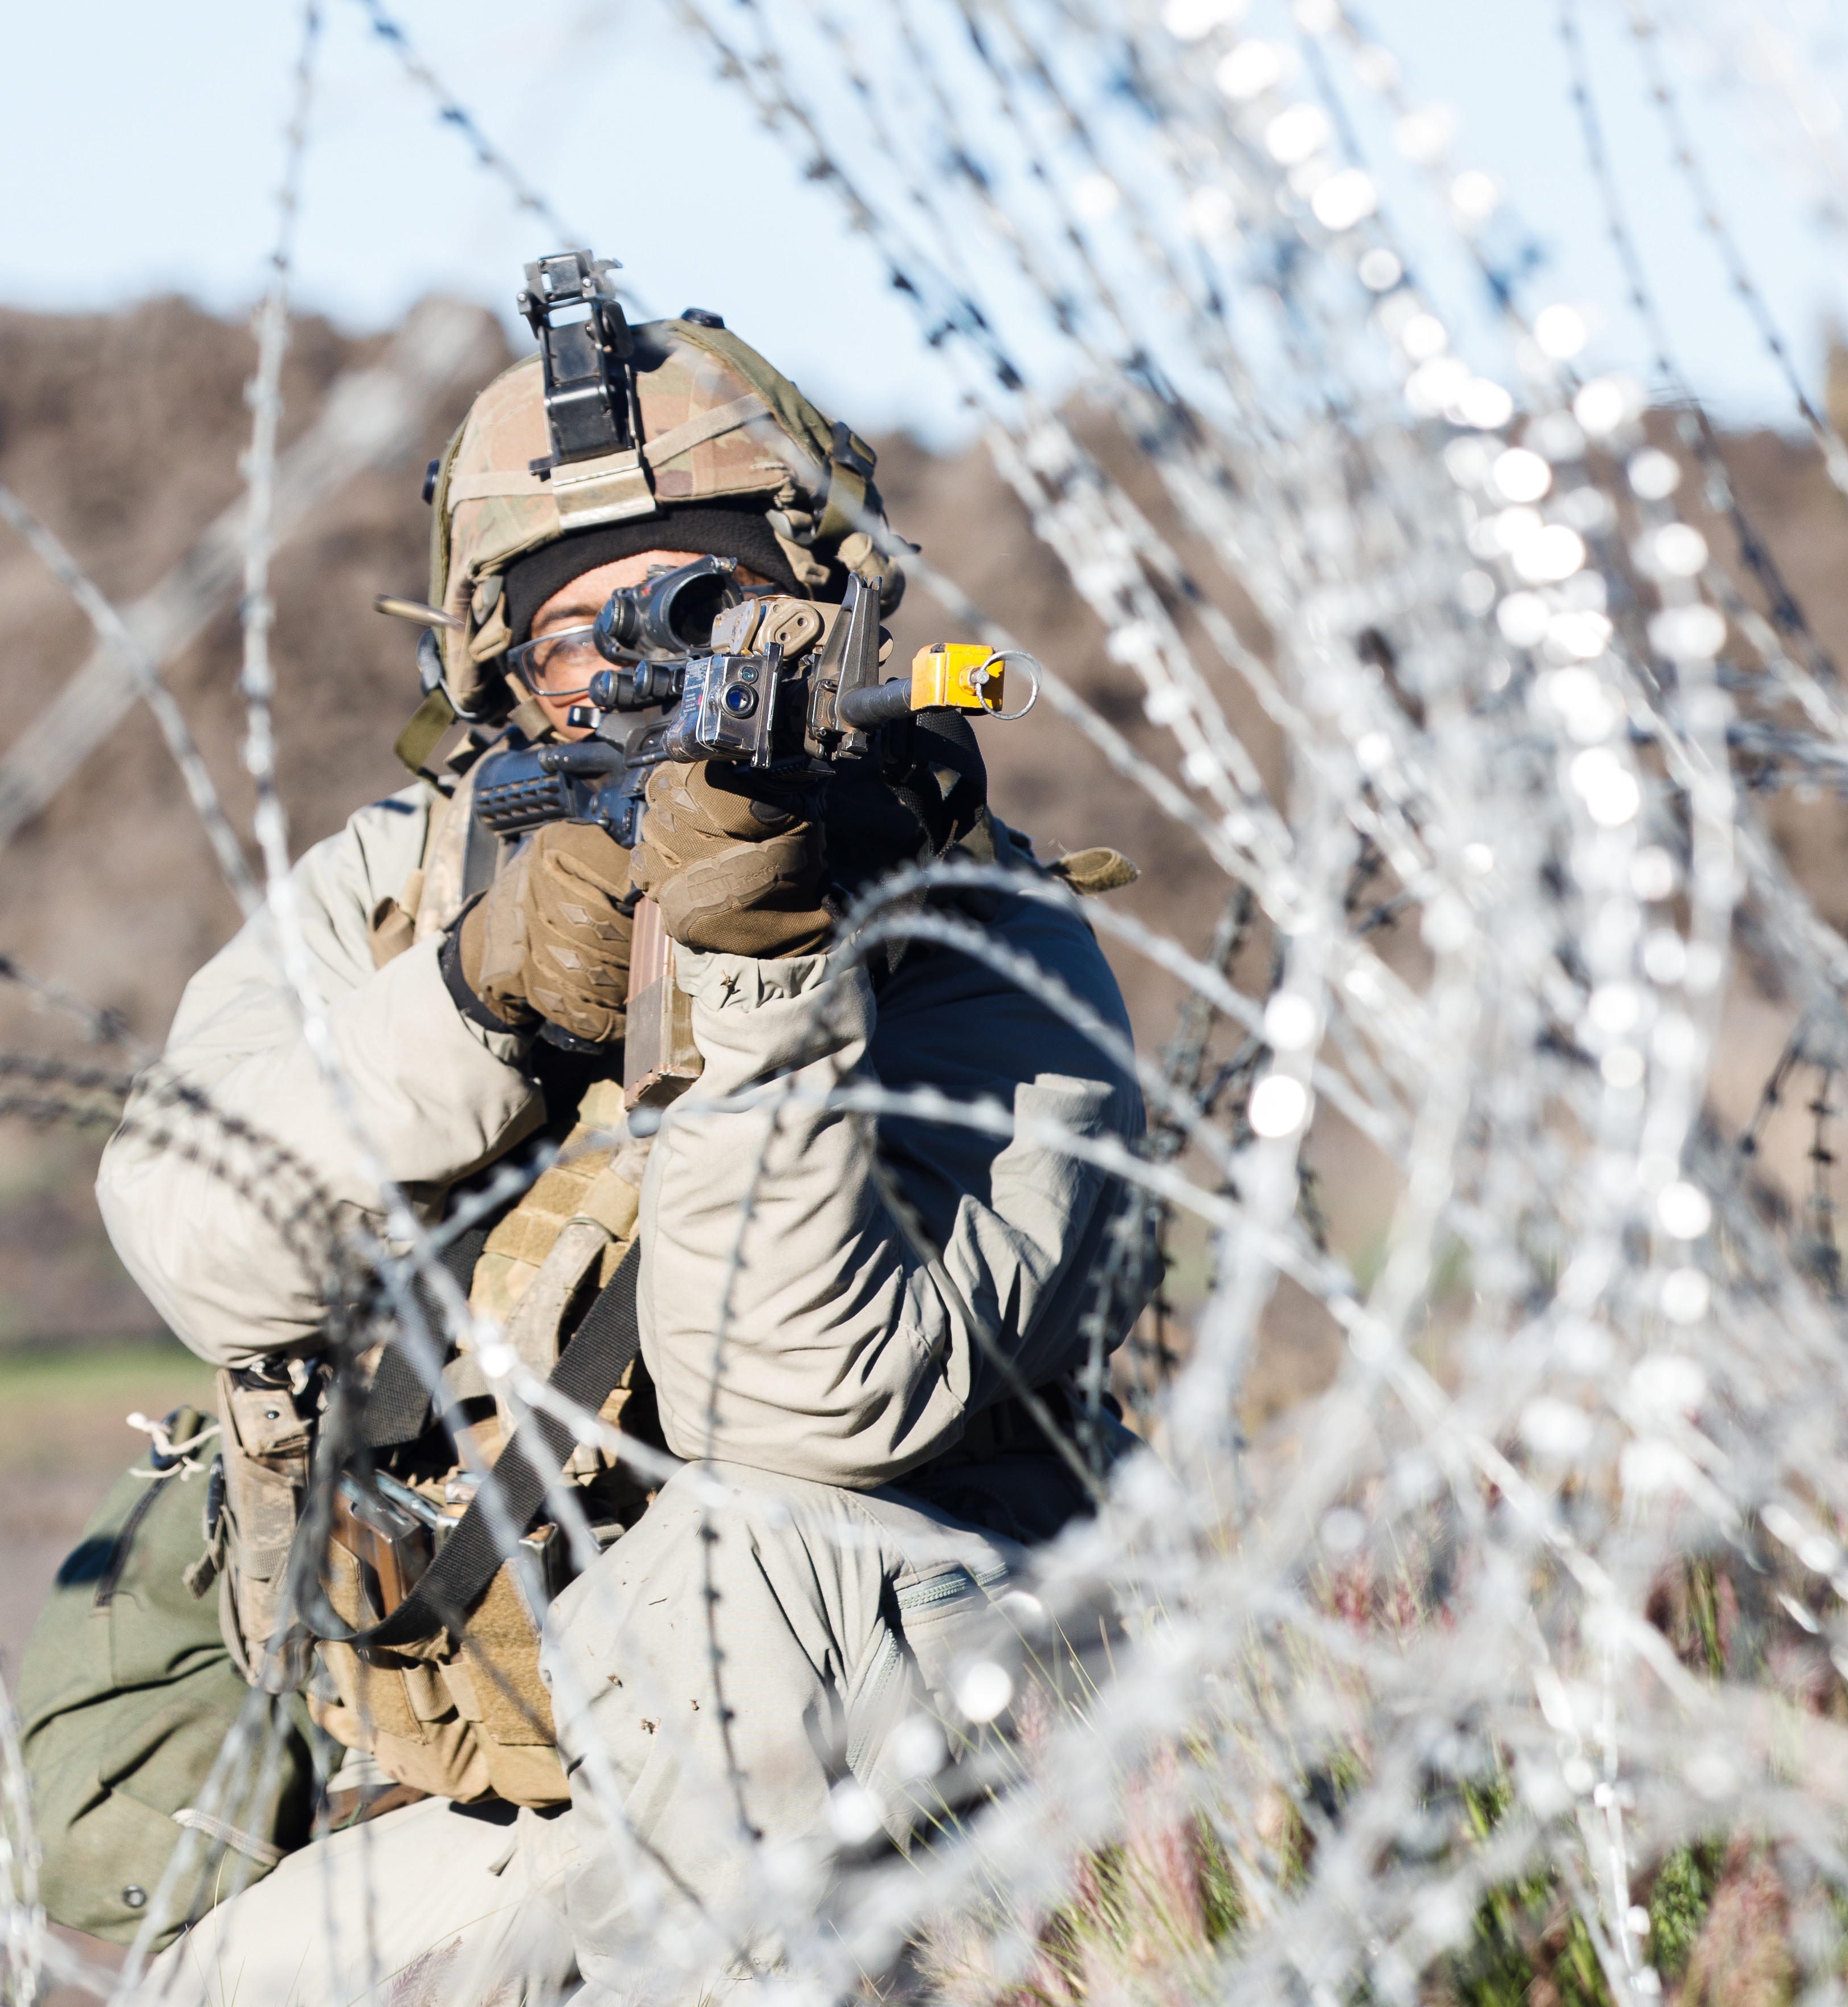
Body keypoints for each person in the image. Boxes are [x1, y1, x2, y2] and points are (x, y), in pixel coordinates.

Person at [95, 270, 1141, 2002]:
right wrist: (475, 998)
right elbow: (198, 1238)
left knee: (771, 1572)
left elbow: (807, 1409)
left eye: (708, 595)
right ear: (494, 668)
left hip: (884, 1764)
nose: (659, 658)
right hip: (519, 1774)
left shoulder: (974, 934)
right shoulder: (404, 883)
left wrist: (751, 957)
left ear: (822, 599)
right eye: (589, 631)